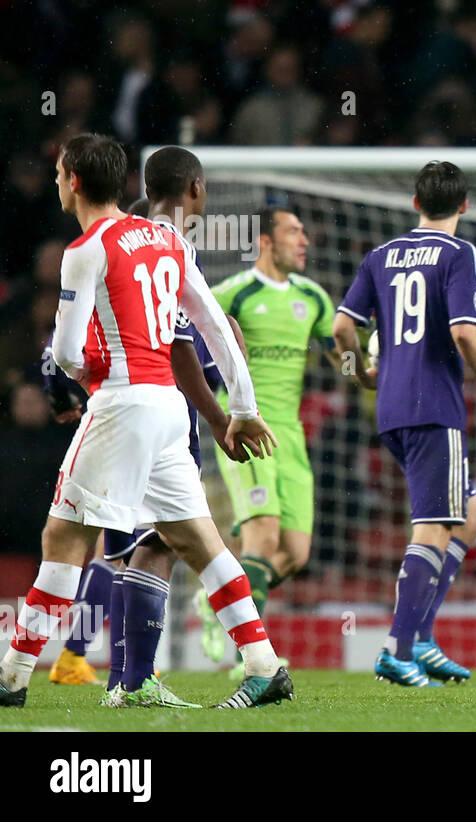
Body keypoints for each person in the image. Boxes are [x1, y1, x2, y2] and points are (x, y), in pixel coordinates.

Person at [0, 133, 288, 709]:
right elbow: (213, 327)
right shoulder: (165, 238)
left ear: (75, 181)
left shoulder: (84, 250)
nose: (57, 183)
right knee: (198, 541)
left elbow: (64, 351)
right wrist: (244, 410)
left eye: (60, 174)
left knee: (62, 540)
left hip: (123, 404)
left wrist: (85, 380)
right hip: (168, 411)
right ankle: (263, 664)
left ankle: (11, 676)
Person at [334, 161, 476, 686]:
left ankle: (422, 638)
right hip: (436, 405)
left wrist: (360, 371)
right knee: (432, 526)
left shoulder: (381, 255)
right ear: (465, 205)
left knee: (468, 514)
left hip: (391, 408)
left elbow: (342, 326)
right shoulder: (460, 253)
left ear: (415, 204)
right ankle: (395, 648)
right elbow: (466, 332)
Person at [202, 207, 340, 668]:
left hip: (291, 437)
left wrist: (366, 366)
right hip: (245, 427)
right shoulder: (233, 293)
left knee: (295, 553)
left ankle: (218, 603)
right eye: (293, 232)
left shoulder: (313, 297)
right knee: (262, 536)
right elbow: (186, 331)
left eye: (304, 232)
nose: (304, 240)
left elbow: (342, 351)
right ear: (265, 241)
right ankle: (252, 659)